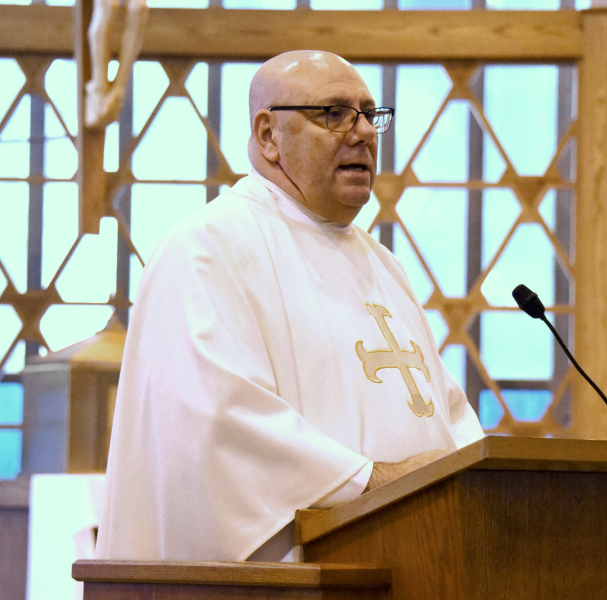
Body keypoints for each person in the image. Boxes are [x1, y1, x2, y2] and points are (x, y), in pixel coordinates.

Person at [95, 50, 485, 563]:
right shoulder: (207, 249)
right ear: (267, 136)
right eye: (334, 113)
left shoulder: (384, 265)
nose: (364, 132)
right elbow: (220, 429)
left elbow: (447, 420)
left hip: (415, 565)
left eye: (371, 114)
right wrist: (376, 482)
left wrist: (479, 482)